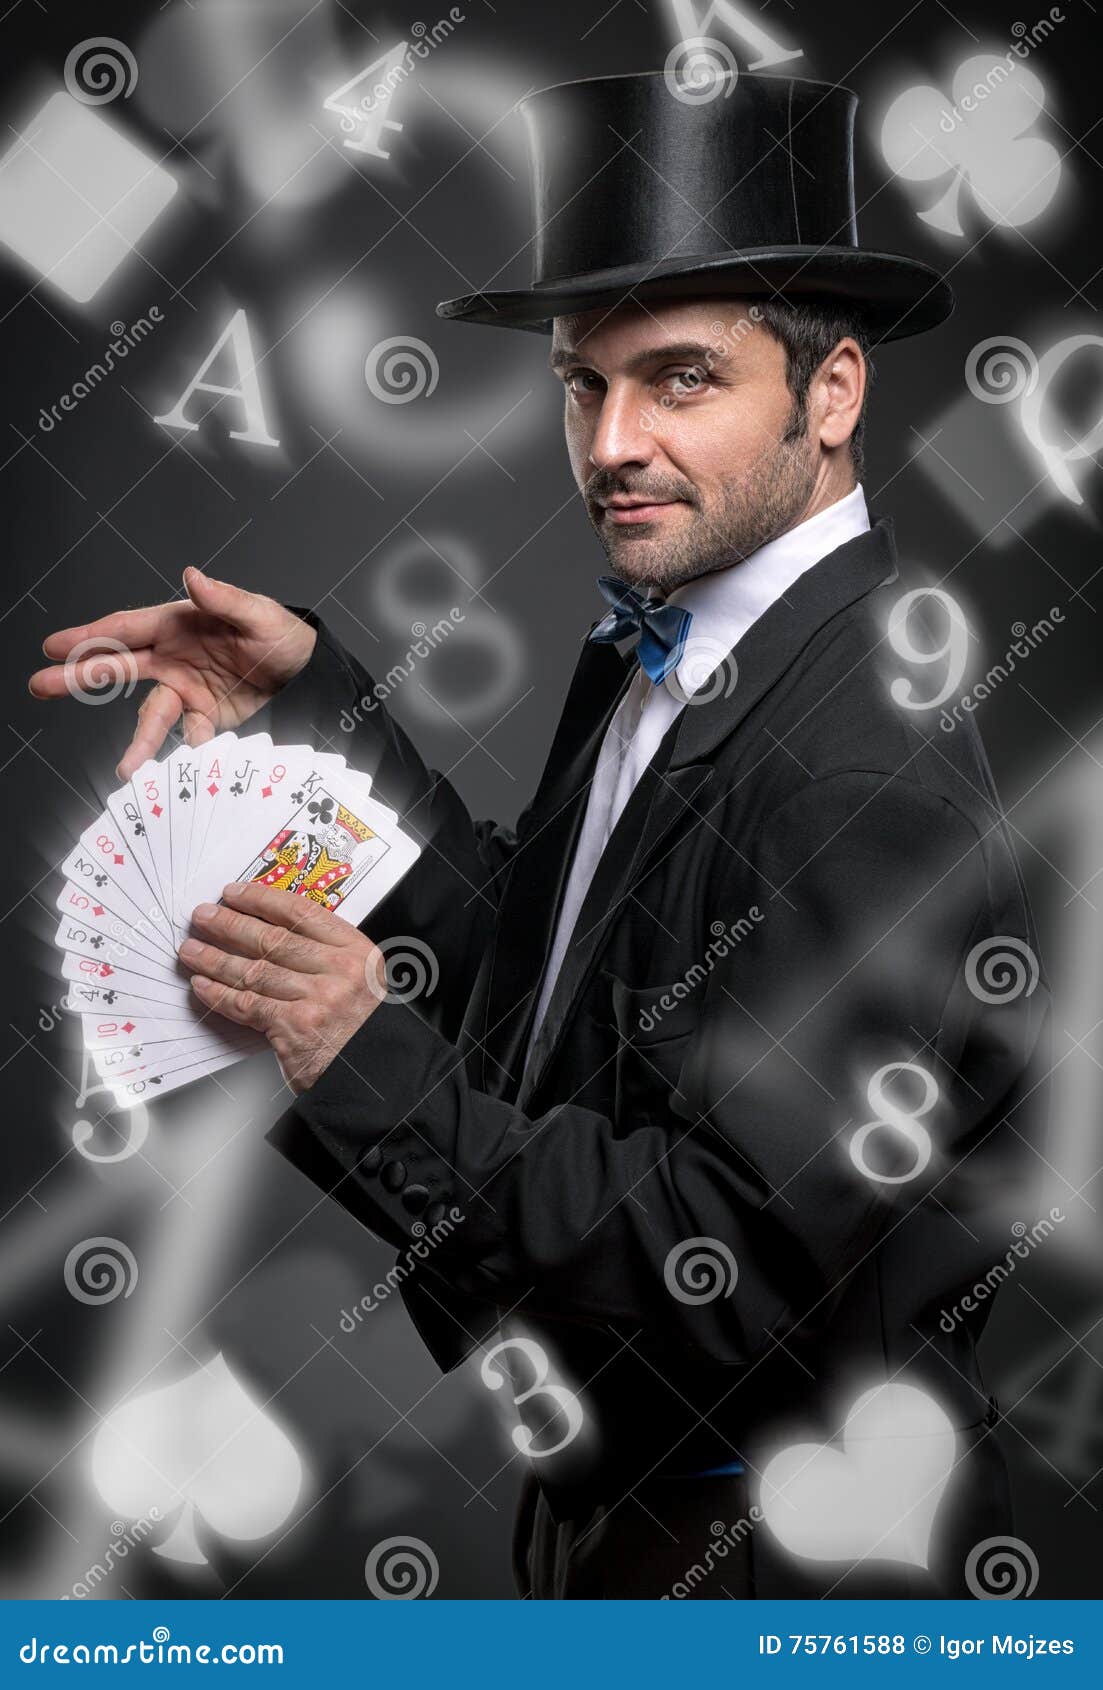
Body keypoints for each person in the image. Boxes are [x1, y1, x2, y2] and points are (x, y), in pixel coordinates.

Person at [29, 71, 1049, 1599]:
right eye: (585, 383)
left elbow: (726, 1263)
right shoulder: (674, 632)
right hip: (604, 1522)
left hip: (769, 1563)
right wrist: (324, 708)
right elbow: (554, 981)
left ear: (832, 395)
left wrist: (359, 1047)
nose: (615, 441)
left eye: (683, 379)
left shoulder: (867, 766)